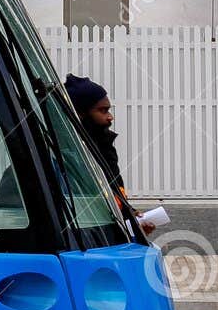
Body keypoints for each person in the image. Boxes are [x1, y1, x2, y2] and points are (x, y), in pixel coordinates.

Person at [64, 73, 155, 234]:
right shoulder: (67, 155)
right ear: (80, 113)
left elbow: (113, 192)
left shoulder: (104, 147)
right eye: (103, 110)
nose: (110, 117)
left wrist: (130, 216)